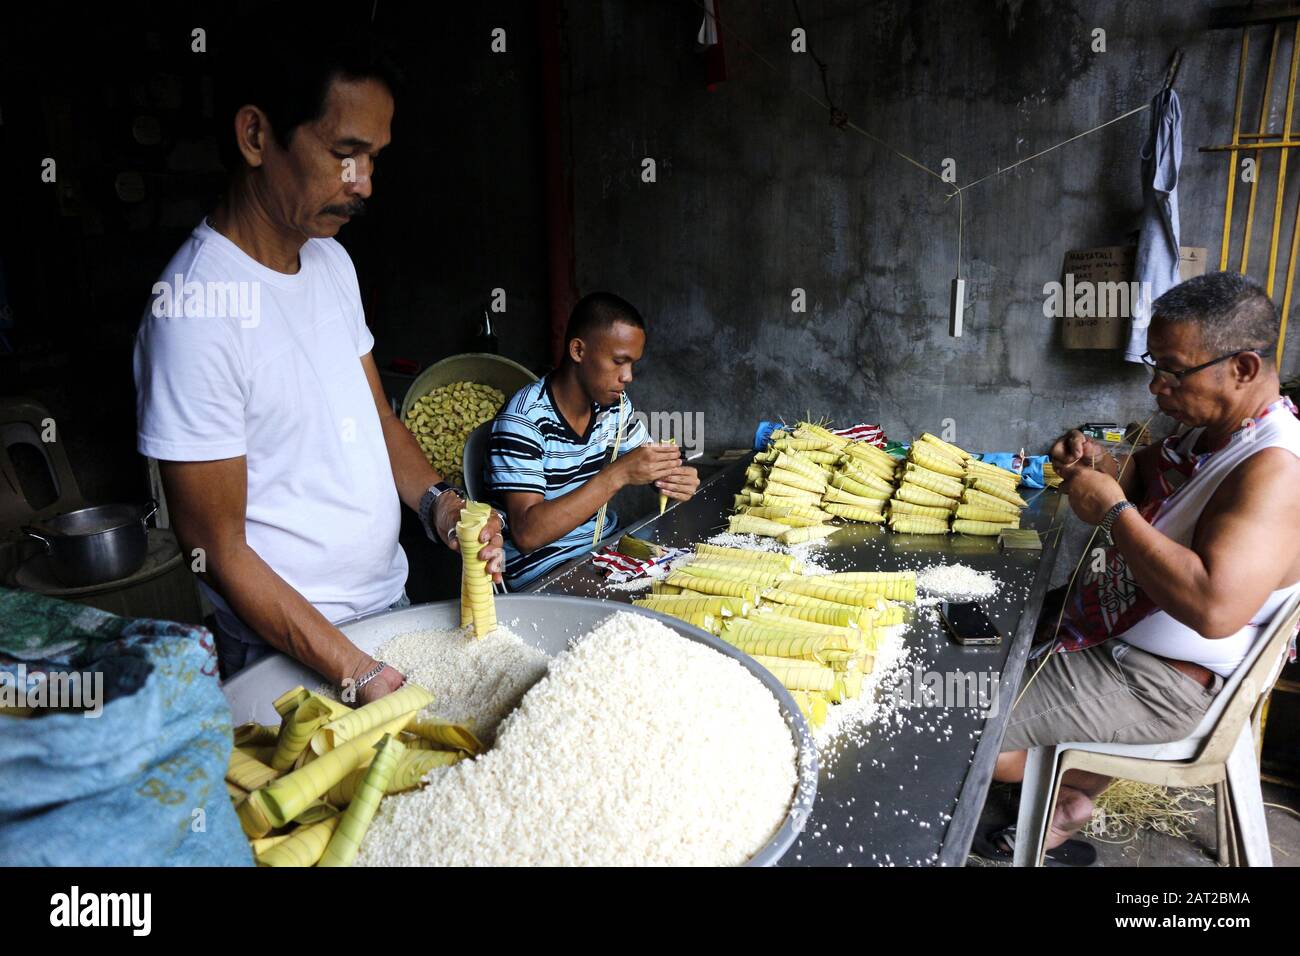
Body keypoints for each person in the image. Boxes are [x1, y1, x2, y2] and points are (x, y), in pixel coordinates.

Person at [133, 29, 503, 700]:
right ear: (255, 136)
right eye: (344, 154)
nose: (363, 184)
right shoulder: (194, 312)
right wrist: (353, 669)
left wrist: (441, 506)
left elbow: (377, 416)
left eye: (374, 158)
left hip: (387, 609)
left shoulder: (330, 259)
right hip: (288, 651)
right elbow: (218, 549)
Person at [979, 271, 1300, 865]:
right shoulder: (1212, 433)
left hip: (1161, 680)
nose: (1156, 386)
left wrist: (1114, 513)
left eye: (1173, 370)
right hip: (1127, 644)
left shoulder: (1273, 470)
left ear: (1244, 368)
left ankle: (1063, 793)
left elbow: (1214, 608)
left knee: (960, 717)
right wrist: (1099, 460)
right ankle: (1068, 796)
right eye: (1155, 364)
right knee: (980, 640)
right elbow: (1147, 476)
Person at [485, 292, 700, 589]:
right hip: (545, 569)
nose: (627, 377)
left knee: (689, 572)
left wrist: (673, 477)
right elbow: (528, 535)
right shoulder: (524, 420)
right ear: (578, 350)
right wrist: (618, 474)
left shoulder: (614, 405)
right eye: (618, 362)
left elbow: (647, 460)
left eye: (632, 365)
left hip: (606, 546)